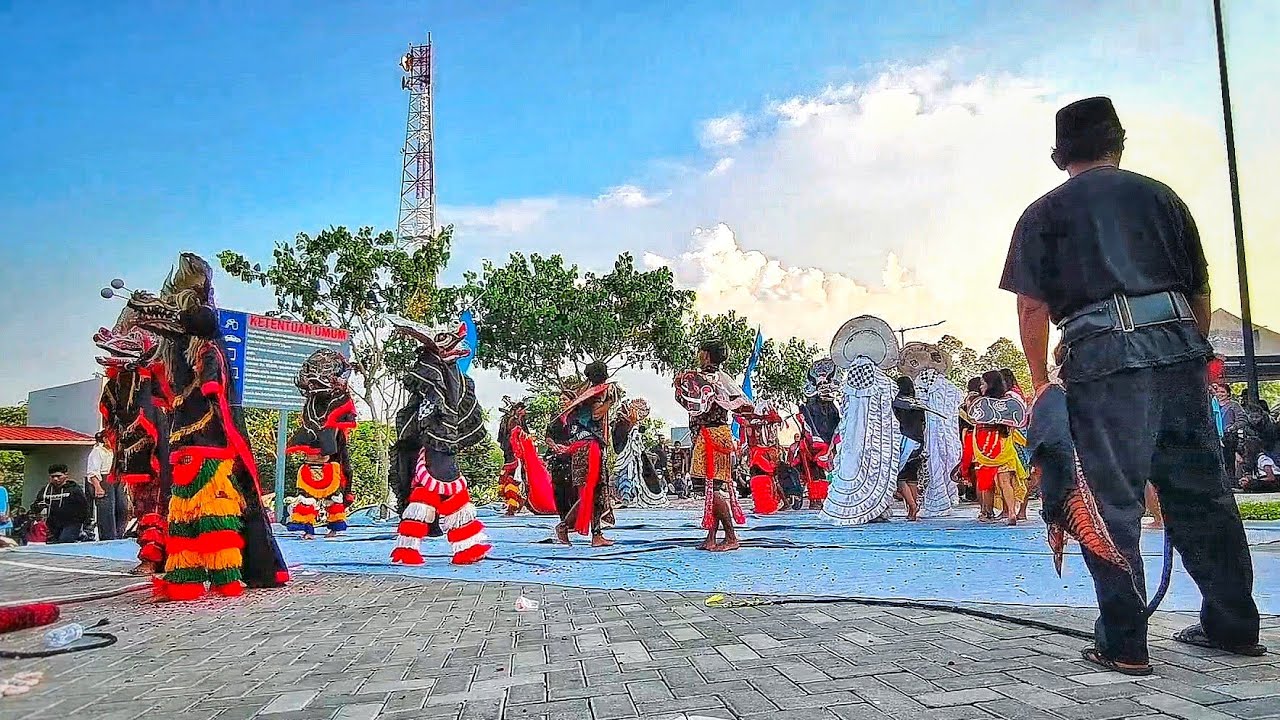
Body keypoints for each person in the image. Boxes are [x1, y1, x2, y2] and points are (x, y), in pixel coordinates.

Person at [1001, 96, 1263, 673]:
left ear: (1059, 154)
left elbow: (1031, 307)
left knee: (1111, 499)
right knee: (1203, 493)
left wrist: (1041, 380)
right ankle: (1234, 626)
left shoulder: (1045, 211)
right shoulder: (1163, 198)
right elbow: (1199, 291)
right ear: (1118, 143)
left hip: (1104, 358)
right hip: (1178, 348)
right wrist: (1191, 355)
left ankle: (1124, 643)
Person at [675, 339, 753, 551]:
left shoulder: (699, 379)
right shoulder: (724, 379)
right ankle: (712, 536)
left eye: (701, 352)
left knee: (711, 487)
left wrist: (678, 386)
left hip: (709, 436)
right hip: (719, 434)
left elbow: (691, 405)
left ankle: (730, 536)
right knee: (712, 487)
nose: (699, 355)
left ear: (706, 355)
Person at [86, 431, 127, 541]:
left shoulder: (117, 452)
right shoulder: (97, 451)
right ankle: (108, 538)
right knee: (107, 511)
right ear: (105, 439)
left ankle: (119, 535)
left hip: (117, 480)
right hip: (104, 480)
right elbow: (92, 472)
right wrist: (97, 486)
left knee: (122, 508)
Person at [37, 465, 89, 543]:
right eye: (52, 476)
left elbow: (84, 506)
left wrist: (85, 522)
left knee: (64, 541)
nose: (55, 479)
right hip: (52, 524)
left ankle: (81, 535)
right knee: (51, 543)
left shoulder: (74, 489)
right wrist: (38, 508)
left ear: (66, 475)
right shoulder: (45, 490)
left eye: (58, 476)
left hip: (71, 523)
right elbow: (36, 504)